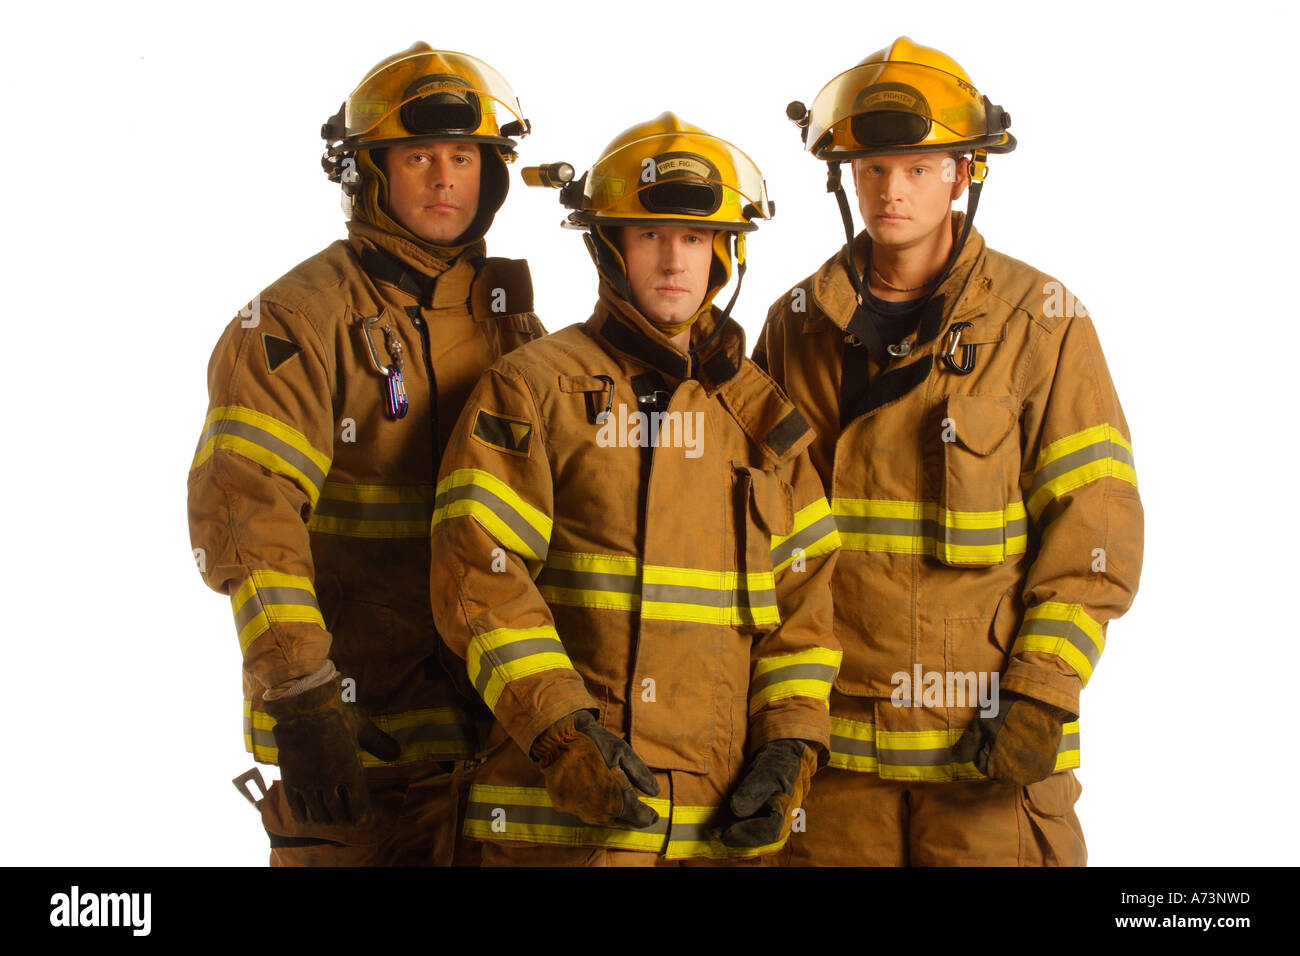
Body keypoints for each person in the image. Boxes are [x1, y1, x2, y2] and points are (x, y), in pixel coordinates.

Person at [756, 37, 1143, 865]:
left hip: (987, 756)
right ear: (844, 175)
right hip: (837, 766)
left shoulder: (1041, 323)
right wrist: (780, 729)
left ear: (964, 172)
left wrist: (1041, 693)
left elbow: (1095, 534)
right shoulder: (795, 327)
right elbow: (755, 540)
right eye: (871, 169)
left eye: (917, 168)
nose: (891, 190)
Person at [428, 112, 842, 865]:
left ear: (724, 252)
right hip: (558, 832)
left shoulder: (763, 421)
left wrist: (790, 749)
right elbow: (479, 578)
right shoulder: (531, 392)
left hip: (713, 836)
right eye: (651, 236)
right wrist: (561, 732)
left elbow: (805, 615)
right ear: (610, 248)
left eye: (694, 238)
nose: (674, 260)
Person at [187, 42, 545, 866]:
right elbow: (248, 521)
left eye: (465, 157)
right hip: (358, 745)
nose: (445, 178)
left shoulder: (510, 317)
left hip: (498, 743)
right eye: (419, 157)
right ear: (366, 173)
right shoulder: (292, 322)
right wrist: (306, 700)